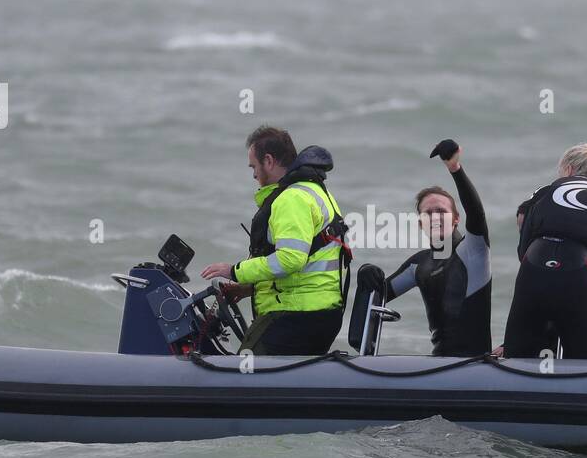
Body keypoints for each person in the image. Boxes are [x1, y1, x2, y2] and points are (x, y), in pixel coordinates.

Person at [200, 125, 348, 355]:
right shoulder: (314, 191)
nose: (253, 174)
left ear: (268, 161)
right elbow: (307, 263)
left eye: (254, 166)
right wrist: (249, 288)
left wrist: (235, 271)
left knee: (243, 374)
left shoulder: (291, 199)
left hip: (297, 315)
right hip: (319, 312)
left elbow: (290, 260)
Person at [358, 139, 491, 356]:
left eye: (441, 211)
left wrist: (455, 169)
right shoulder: (418, 265)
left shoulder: (473, 250)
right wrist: (366, 275)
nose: (435, 217)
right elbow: (378, 296)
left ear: (456, 219)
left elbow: (477, 213)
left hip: (473, 363)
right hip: (436, 362)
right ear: (421, 224)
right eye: (428, 213)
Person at [503, 143, 587, 360]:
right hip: (578, 280)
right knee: (586, 365)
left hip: (532, 273)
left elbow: (523, 250)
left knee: (516, 359)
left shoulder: (543, 193)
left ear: (569, 169)